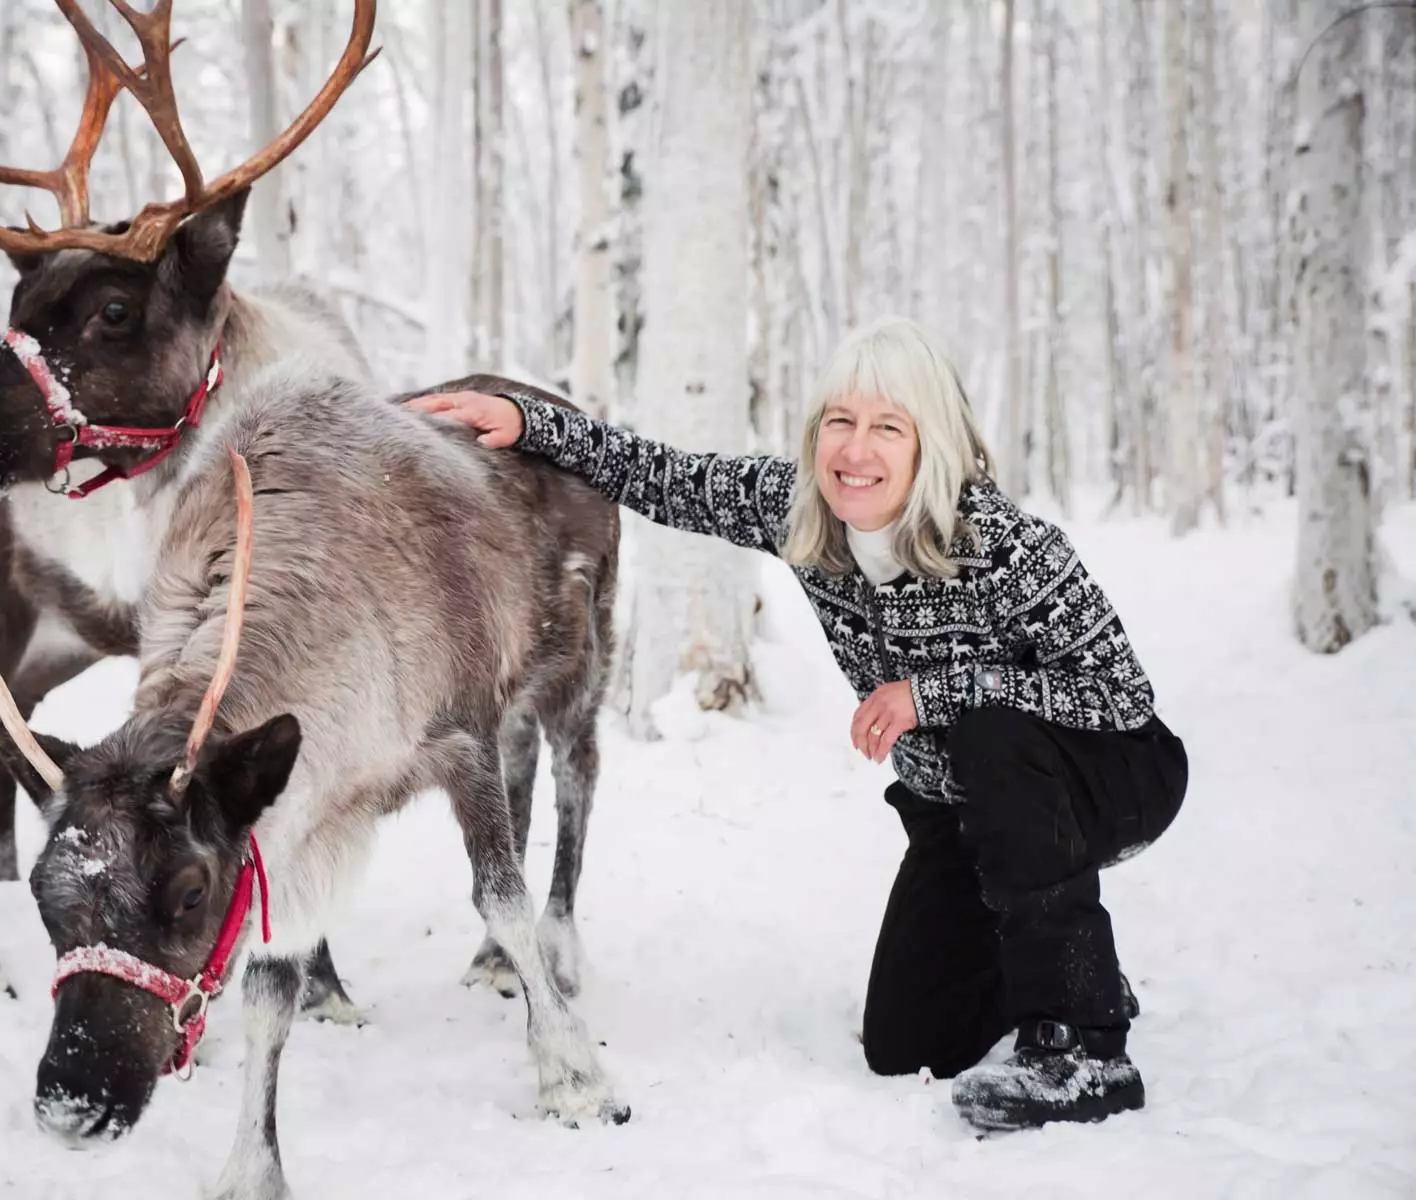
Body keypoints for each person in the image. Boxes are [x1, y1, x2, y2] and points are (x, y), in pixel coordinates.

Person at [405, 316, 1188, 1133]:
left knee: (993, 732)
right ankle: (1071, 971)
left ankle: (1089, 1049)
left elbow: (1122, 700)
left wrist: (932, 694)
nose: (856, 450)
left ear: (934, 445)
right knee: (907, 1042)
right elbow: (663, 475)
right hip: (972, 812)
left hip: (1111, 780)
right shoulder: (804, 515)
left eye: (889, 427)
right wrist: (531, 423)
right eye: (839, 423)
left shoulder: (1006, 548)